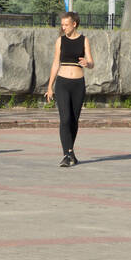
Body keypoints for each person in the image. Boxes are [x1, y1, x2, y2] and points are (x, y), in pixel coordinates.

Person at [45, 12, 93, 167]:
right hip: (63, 83)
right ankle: (68, 154)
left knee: (74, 120)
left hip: (78, 84)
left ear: (74, 24)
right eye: (62, 25)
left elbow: (91, 62)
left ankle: (70, 153)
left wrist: (87, 63)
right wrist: (50, 86)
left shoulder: (84, 40)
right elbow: (55, 63)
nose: (63, 27)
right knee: (65, 119)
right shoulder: (60, 41)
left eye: (66, 24)